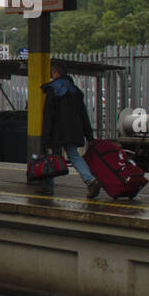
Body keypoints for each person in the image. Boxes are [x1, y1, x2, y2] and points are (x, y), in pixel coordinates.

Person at [39, 59, 101, 199]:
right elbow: (83, 114)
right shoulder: (75, 91)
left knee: (52, 157)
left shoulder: (52, 89)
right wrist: (89, 134)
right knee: (74, 156)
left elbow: (48, 114)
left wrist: (45, 135)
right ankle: (90, 180)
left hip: (56, 132)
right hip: (73, 131)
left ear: (55, 73)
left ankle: (48, 187)